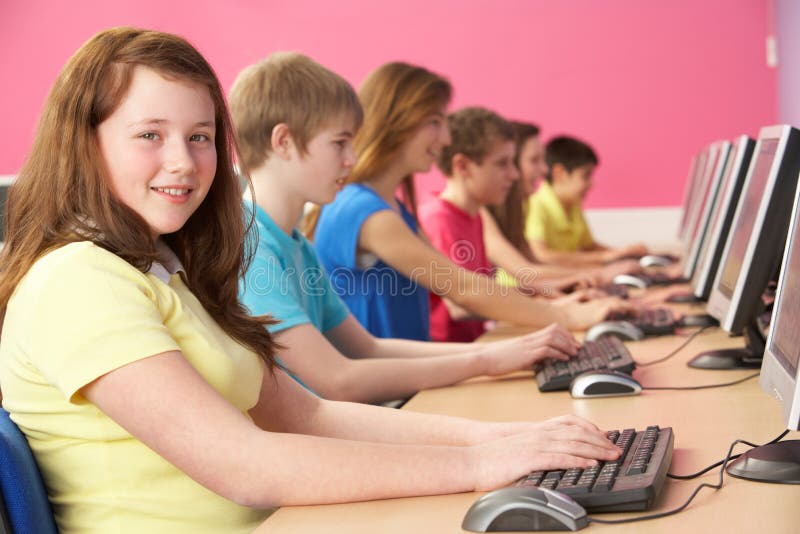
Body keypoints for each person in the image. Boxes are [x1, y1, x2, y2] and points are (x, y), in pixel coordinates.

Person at [0, 28, 620, 533]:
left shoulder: (170, 270)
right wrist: (478, 463)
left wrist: (507, 438)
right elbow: (244, 464)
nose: (183, 162)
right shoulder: (77, 281)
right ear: (85, 143)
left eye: (200, 137)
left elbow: (312, 415)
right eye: (149, 136)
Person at [231, 52, 586, 403]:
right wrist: (489, 360)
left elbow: (368, 349)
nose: (351, 158)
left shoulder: (295, 243)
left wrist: (502, 353)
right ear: (283, 142)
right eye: (340, 143)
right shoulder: (253, 246)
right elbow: (337, 380)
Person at [312, 62, 626, 343]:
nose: (446, 138)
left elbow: (465, 284)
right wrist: (566, 316)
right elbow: (462, 290)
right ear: (398, 122)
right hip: (386, 386)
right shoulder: (364, 212)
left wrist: (553, 305)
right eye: (435, 122)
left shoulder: (391, 208)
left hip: (405, 378)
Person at [482, 121, 642, 289]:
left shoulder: (519, 208)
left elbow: (534, 264)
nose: (544, 170)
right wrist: (600, 271)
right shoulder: (487, 214)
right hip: (516, 297)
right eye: (534, 160)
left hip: (526, 295)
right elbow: (527, 270)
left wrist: (601, 269)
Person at [526, 135, 650, 266]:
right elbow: (541, 255)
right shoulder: (536, 205)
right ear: (560, 173)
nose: (591, 184)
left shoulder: (573, 205)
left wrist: (622, 253)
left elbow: (589, 247)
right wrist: (605, 256)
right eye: (585, 176)